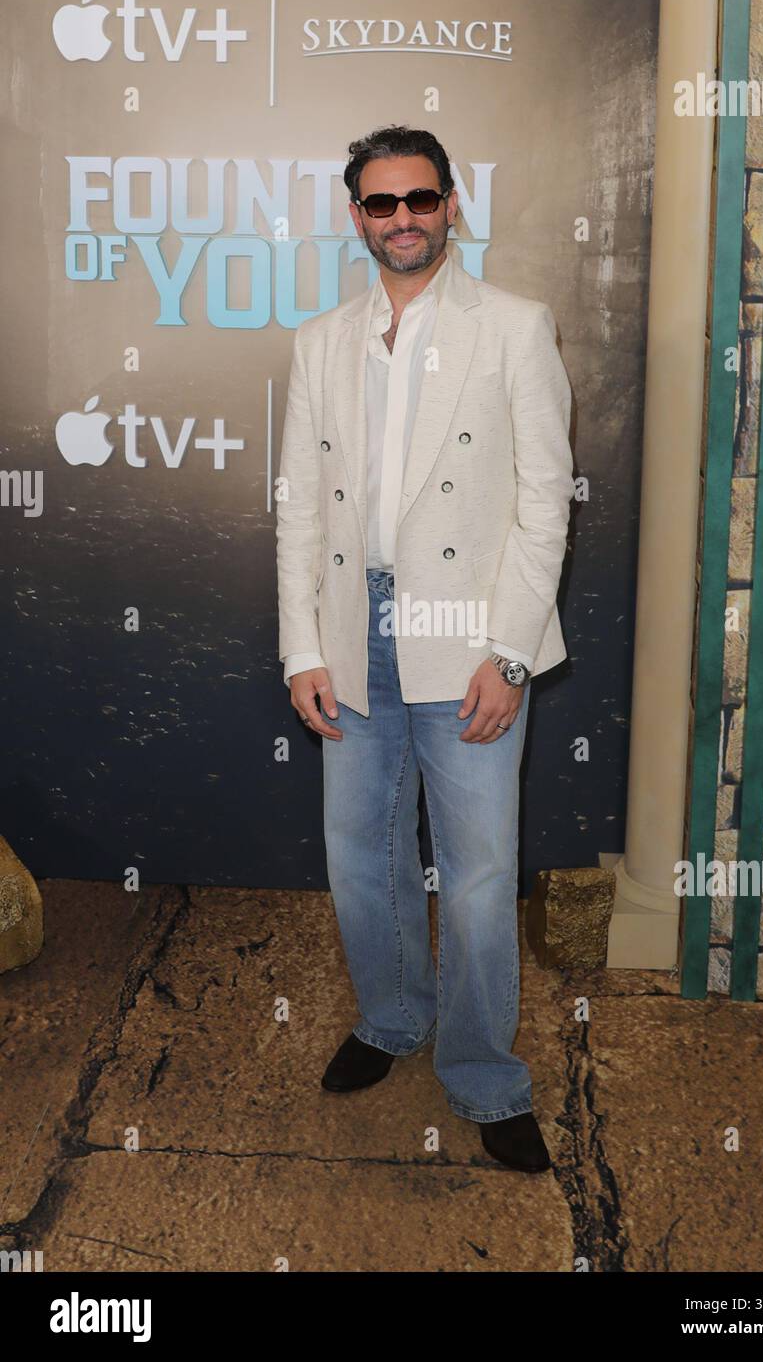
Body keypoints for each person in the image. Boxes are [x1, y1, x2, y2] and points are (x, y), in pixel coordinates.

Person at [275, 124, 574, 1172]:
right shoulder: (320, 341)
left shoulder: (512, 326)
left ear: (451, 204)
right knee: (361, 857)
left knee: (482, 871)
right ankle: (392, 1019)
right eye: (378, 203)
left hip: (467, 631)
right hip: (355, 626)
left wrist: (511, 652)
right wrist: (300, 647)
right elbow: (299, 513)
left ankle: (484, 1072)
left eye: (419, 199)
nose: (400, 218)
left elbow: (544, 501)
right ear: (354, 215)